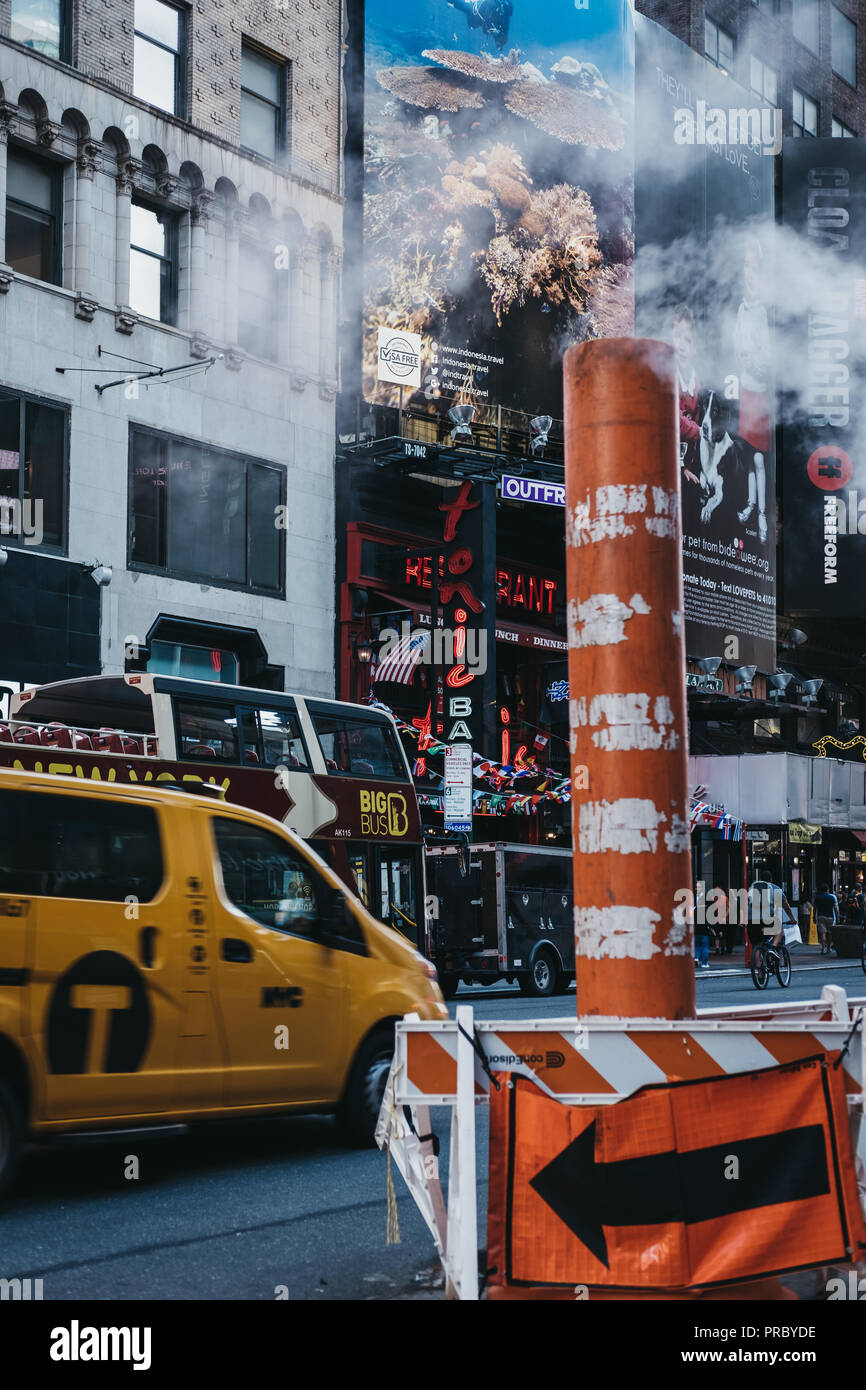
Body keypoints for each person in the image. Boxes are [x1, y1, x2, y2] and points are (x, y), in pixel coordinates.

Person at [734, 237, 772, 545]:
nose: (749, 273)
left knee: (759, 458)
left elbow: (771, 356)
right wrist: (742, 357)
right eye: (746, 266)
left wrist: (755, 362)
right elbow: (736, 342)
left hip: (760, 391)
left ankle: (761, 514)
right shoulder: (742, 309)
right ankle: (749, 503)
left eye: (754, 268)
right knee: (747, 455)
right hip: (746, 389)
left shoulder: (763, 311)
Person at [670, 303, 703, 526]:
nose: (681, 346)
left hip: (682, 466)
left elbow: (697, 418)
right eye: (677, 337)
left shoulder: (696, 381)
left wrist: (687, 467)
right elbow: (673, 419)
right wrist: (700, 432)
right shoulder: (667, 372)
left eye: (687, 340)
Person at [447, 0, 513, 49]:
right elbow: (486, 27)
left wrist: (500, 41)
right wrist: (496, 34)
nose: (504, 16)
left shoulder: (505, 13)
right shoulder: (492, 4)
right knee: (460, 4)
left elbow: (505, 29)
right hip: (474, 16)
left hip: (476, 16)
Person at [813, 881, 839, 955]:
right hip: (830, 917)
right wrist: (837, 918)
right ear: (828, 889)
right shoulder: (831, 897)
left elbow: (815, 909)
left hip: (821, 916)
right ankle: (828, 948)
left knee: (823, 933)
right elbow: (835, 909)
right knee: (830, 933)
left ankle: (823, 949)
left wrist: (813, 917)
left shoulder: (817, 898)